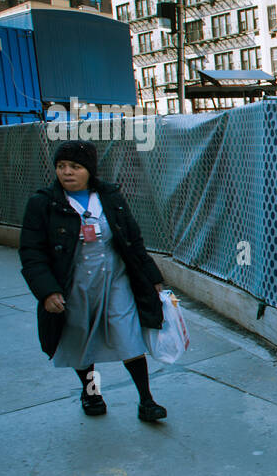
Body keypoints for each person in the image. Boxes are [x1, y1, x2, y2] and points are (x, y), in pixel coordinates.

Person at [19, 141, 169, 420]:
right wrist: (48, 291)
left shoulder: (109, 197)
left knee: (129, 336)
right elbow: (32, 252)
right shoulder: (43, 203)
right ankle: (91, 393)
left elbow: (133, 240)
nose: (67, 172)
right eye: (61, 166)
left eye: (75, 167)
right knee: (80, 340)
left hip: (114, 280)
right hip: (74, 285)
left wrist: (152, 277)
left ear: (89, 170)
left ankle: (147, 400)